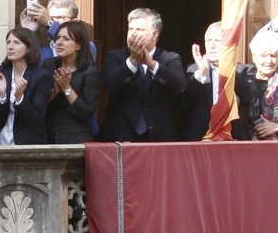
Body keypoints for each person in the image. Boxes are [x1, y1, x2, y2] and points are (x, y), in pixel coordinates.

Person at [100, 10, 186, 142]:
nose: (133, 34)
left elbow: (179, 85)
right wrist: (132, 62)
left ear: (155, 34)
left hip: (159, 139)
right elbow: (111, 85)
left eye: (139, 29)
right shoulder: (115, 56)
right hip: (121, 138)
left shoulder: (170, 58)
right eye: (130, 29)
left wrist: (152, 65)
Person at [0, 28, 52, 145]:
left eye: (16, 43)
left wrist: (20, 98)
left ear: (28, 48)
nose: (10, 47)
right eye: (8, 42)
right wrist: (1, 95)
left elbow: (36, 120)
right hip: (1, 140)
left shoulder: (42, 76)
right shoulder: (2, 72)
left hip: (27, 143)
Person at [44, 21, 100, 144]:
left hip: (76, 137)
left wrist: (66, 88)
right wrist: (55, 91)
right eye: (58, 37)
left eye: (66, 39)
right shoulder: (48, 65)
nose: (59, 42)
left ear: (78, 45)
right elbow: (39, 103)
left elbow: (86, 112)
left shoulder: (89, 72)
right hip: (48, 134)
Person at [234, 26, 278, 141]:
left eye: (273, 55)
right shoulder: (245, 81)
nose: (269, 61)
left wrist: (275, 127)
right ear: (254, 57)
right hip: (245, 146)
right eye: (263, 55)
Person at [182, 21, 224, 141]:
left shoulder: (243, 70)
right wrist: (200, 73)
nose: (212, 45)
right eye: (209, 41)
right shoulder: (193, 69)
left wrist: (227, 67)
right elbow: (182, 102)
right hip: (200, 139)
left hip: (232, 139)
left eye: (217, 41)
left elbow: (250, 97)